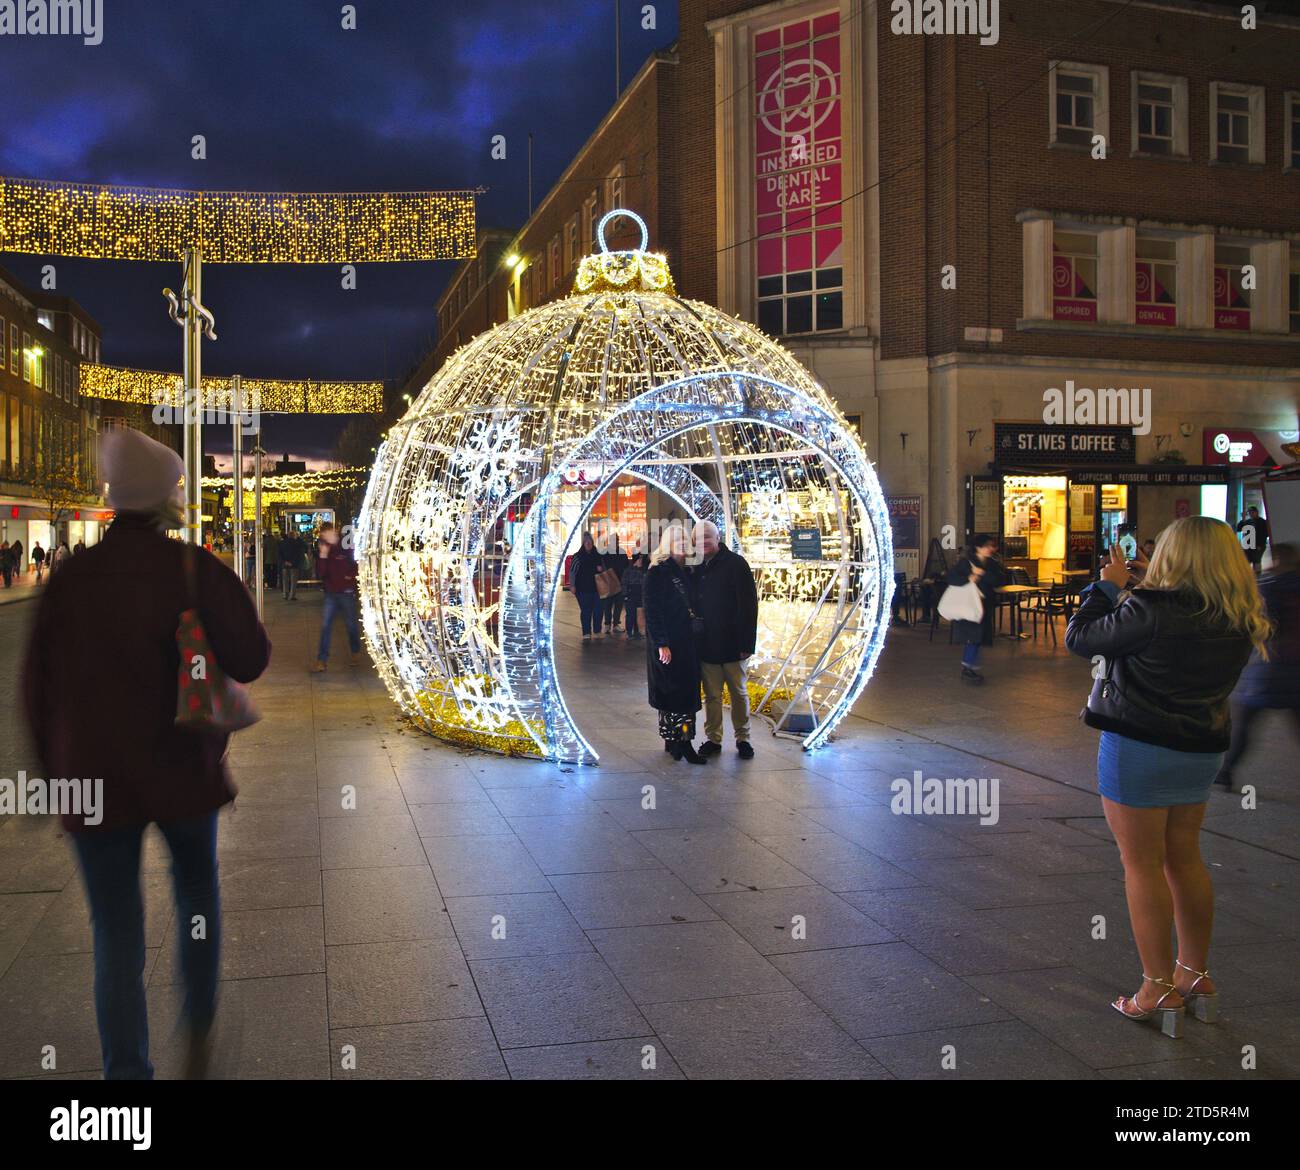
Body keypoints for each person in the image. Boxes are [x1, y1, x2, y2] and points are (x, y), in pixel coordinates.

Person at [22, 427, 271, 1079]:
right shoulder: (191, 568)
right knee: (195, 893)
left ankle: (127, 1074)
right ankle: (198, 1020)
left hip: (94, 785)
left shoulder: (72, 578)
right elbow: (253, 656)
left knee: (115, 929)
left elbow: (34, 690)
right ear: (166, 499)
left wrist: (53, 779)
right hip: (182, 770)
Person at [1065, 517, 1269, 1034]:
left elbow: (1082, 638)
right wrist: (1133, 590)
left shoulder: (1149, 608)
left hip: (1139, 746)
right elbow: (1173, 629)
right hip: (1201, 748)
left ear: (1171, 555)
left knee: (1142, 865)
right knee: (1185, 858)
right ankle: (1194, 974)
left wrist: (1109, 586)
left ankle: (1155, 988)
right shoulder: (1239, 612)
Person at [1216, 543, 1299, 790]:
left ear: (1273, 561)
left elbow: (1253, 628)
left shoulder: (1265, 590)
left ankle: (1226, 771)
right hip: (1295, 670)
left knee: (1244, 725)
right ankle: (1226, 771)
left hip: (1266, 670)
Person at [691, 520, 759, 760]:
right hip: (708, 645)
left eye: (707, 538)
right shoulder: (697, 566)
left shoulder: (736, 564)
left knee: (739, 693)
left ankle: (743, 739)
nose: (703, 543)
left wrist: (746, 644)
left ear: (717, 538)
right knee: (712, 696)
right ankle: (713, 739)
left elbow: (749, 606)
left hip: (733, 645)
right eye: (699, 539)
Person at [643, 524, 706, 764]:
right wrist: (661, 643)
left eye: (683, 539)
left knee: (683, 696)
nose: (680, 544)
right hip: (669, 644)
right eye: (676, 540)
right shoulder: (657, 571)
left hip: (686, 642)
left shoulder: (686, 570)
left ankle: (676, 740)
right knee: (676, 696)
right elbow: (652, 610)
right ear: (667, 543)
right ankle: (682, 742)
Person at [945, 534, 1003, 684]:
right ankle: (968, 667)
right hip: (969, 605)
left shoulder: (992, 563)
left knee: (978, 637)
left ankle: (970, 665)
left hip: (985, 605)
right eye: (988, 546)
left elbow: (1000, 580)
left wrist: (982, 574)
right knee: (973, 636)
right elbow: (951, 578)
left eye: (992, 546)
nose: (991, 549)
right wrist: (969, 578)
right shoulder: (966, 563)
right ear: (979, 547)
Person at [313, 522, 363, 672]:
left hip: (346, 592)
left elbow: (356, 565)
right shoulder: (325, 548)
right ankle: (322, 660)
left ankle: (355, 652)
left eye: (325, 535)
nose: (324, 538)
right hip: (331, 593)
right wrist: (322, 555)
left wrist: (350, 578)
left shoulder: (345, 546)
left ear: (332, 532)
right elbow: (321, 573)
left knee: (351, 625)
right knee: (326, 626)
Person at [569, 531, 605, 641]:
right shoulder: (578, 557)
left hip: (597, 589)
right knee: (586, 610)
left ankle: (597, 630)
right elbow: (572, 572)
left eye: (590, 542)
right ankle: (586, 632)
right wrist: (572, 585)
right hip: (582, 589)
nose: (588, 544)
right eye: (586, 542)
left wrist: (601, 569)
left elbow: (604, 569)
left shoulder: (598, 556)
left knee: (598, 610)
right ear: (583, 543)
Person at [603, 538, 629, 634]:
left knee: (618, 604)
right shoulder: (605, 552)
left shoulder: (621, 552)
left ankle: (615, 624)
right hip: (609, 582)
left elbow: (626, 566)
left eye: (617, 541)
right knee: (608, 604)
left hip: (619, 582)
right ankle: (607, 624)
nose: (615, 542)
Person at [1236, 506, 1269, 575]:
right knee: (1247, 561)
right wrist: (1243, 519)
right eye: (1250, 512)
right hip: (1248, 546)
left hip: (1257, 545)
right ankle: (1248, 575)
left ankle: (1257, 575)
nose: (1251, 514)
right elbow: (1239, 529)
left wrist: (1260, 544)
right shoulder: (1248, 522)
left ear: (1256, 512)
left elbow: (1265, 534)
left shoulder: (1262, 522)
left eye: (1252, 512)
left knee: (1256, 561)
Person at [622, 553, 647, 639]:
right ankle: (629, 632)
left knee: (639, 614)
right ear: (636, 560)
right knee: (630, 614)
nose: (641, 561)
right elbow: (624, 583)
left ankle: (638, 631)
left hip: (640, 595)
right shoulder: (628, 571)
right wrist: (625, 595)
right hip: (630, 595)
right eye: (639, 559)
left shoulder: (644, 570)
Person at [280, 530, 307, 600]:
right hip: (294, 565)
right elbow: (299, 554)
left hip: (285, 565)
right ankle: (292, 595)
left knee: (285, 580)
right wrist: (292, 562)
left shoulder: (282, 543)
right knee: (293, 581)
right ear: (294, 536)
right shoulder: (297, 543)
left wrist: (285, 561)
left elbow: (279, 554)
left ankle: (285, 594)